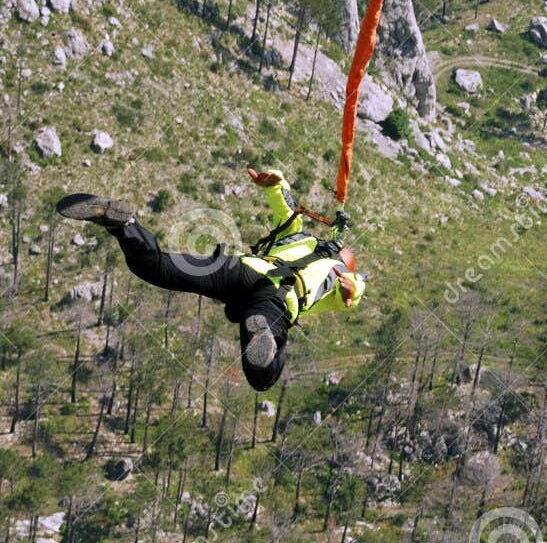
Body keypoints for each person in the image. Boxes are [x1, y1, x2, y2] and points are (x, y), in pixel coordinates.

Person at [56, 167, 366, 390]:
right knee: (262, 377)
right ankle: (264, 334)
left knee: (157, 267)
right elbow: (354, 292)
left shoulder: (298, 238)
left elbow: (287, 209)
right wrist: (352, 289)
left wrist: (276, 182)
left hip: (241, 270)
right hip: (275, 299)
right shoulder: (338, 276)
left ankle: (124, 225)